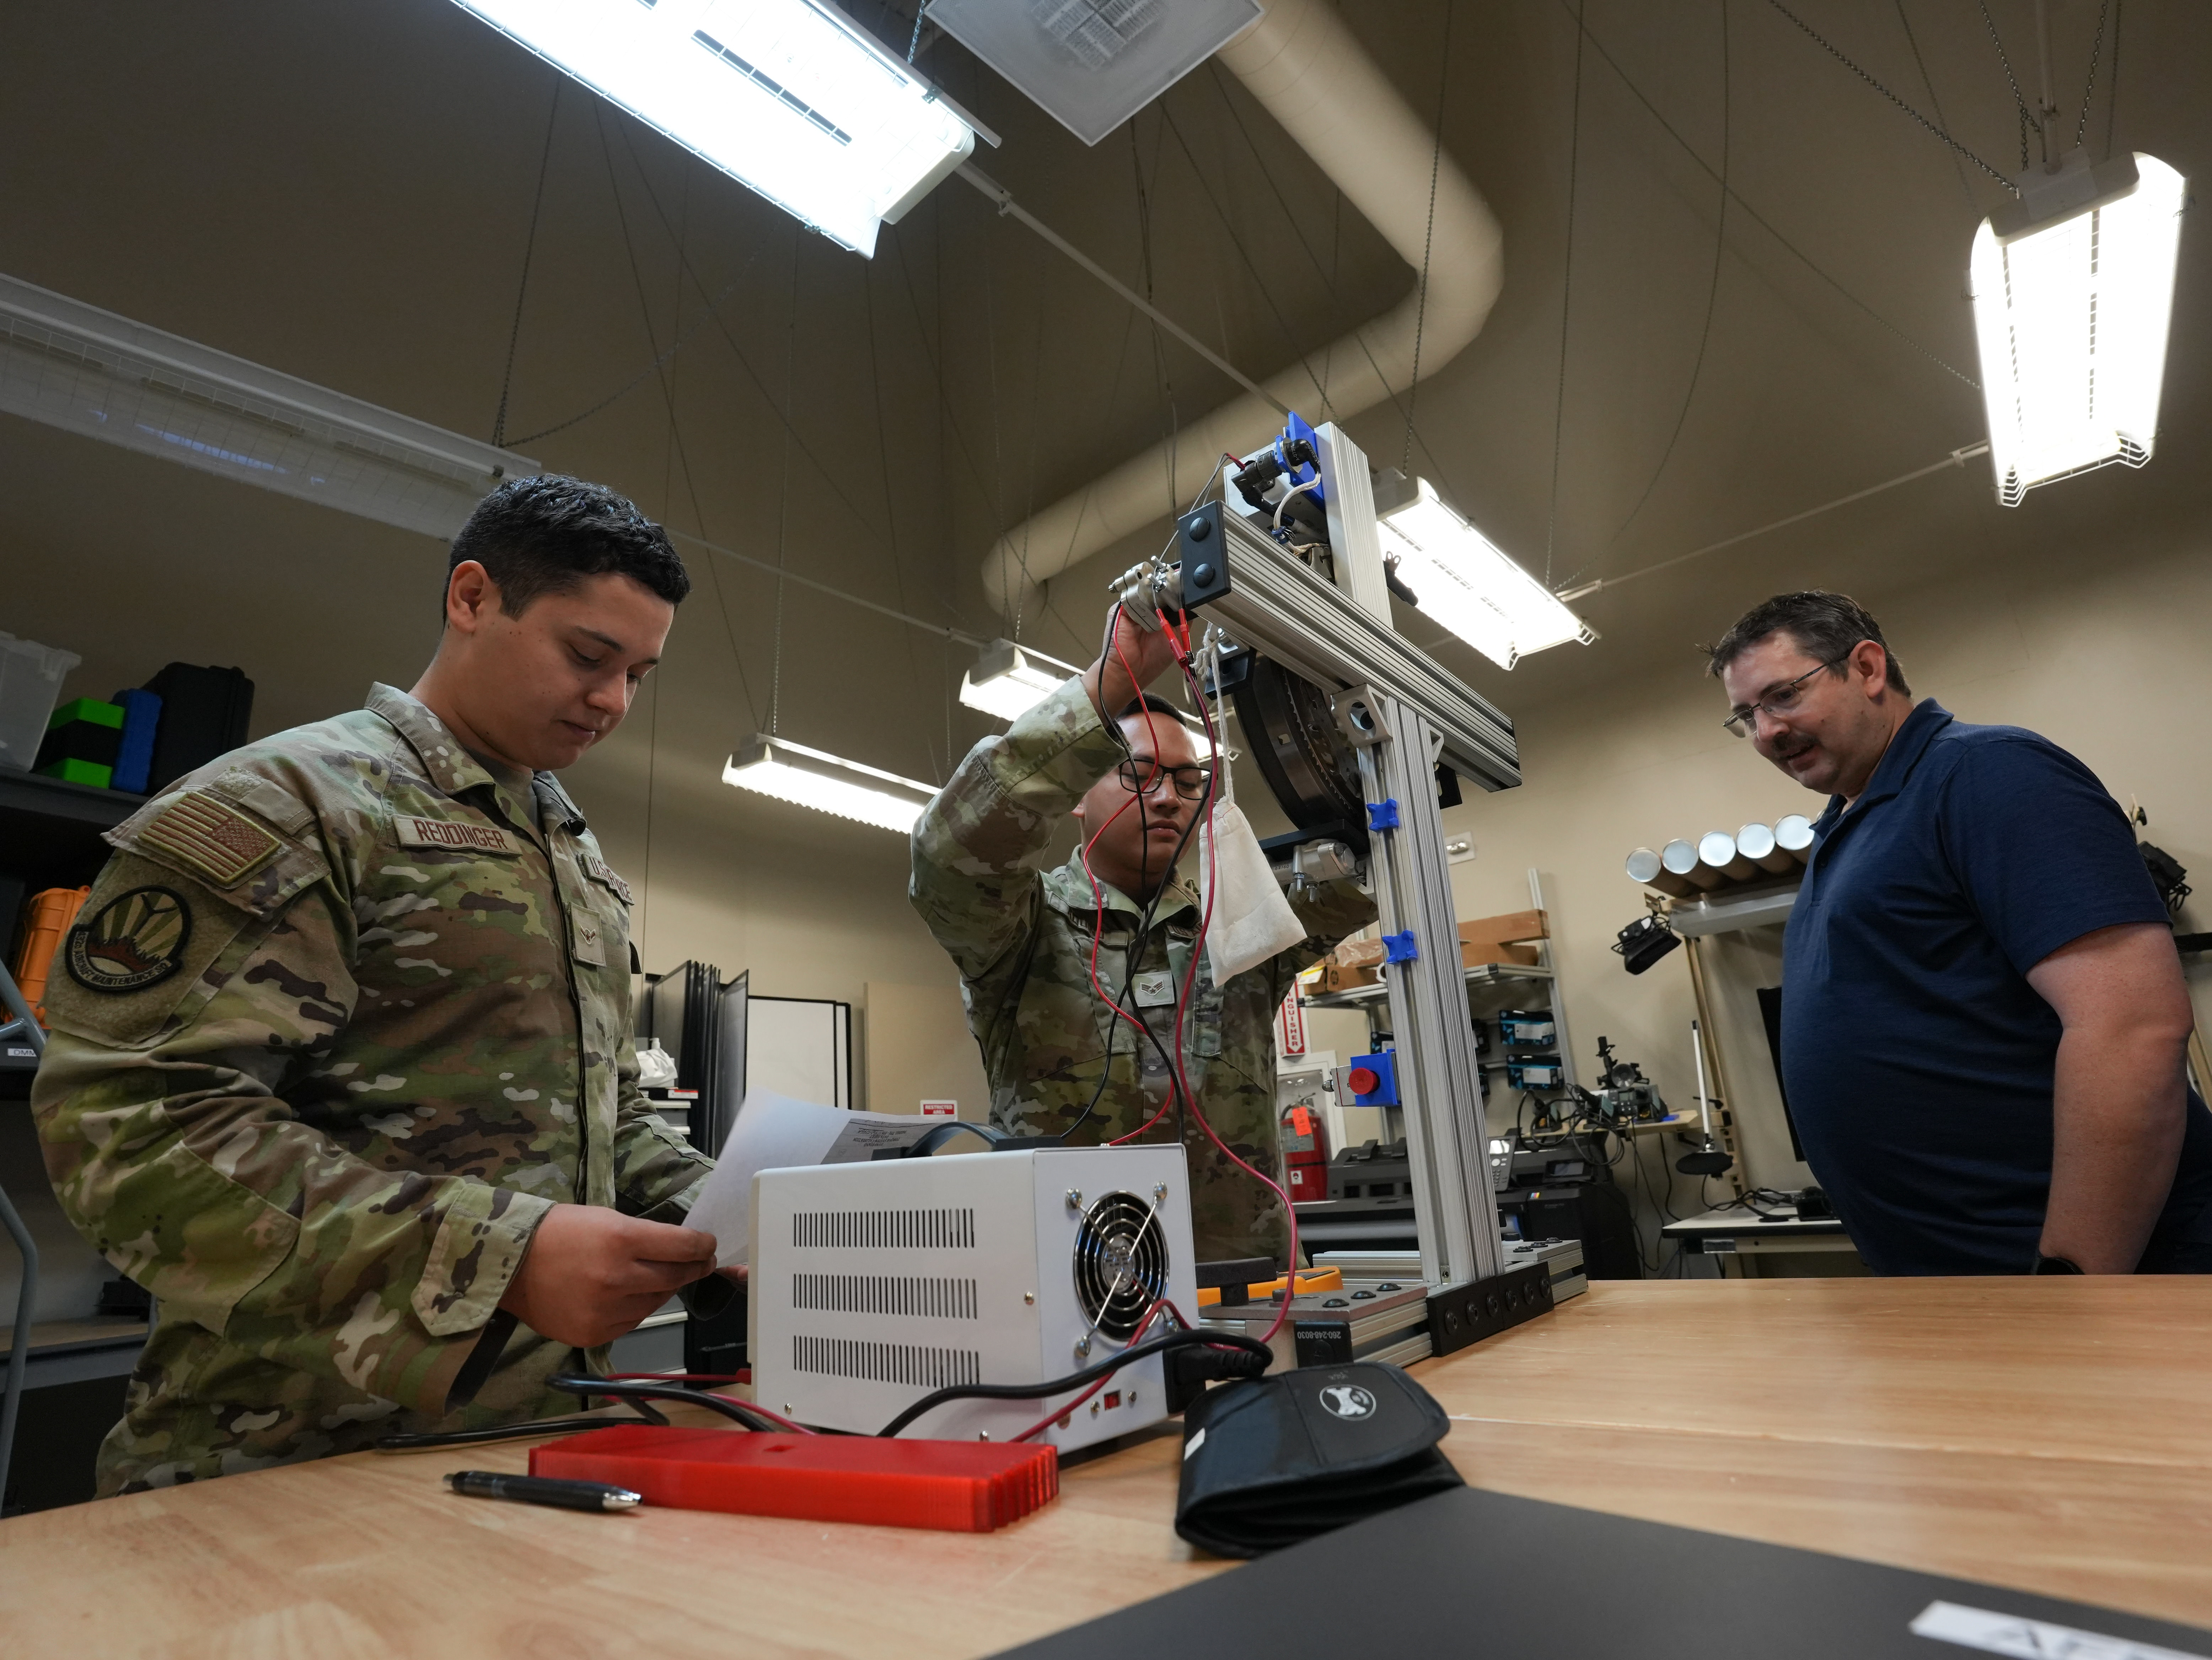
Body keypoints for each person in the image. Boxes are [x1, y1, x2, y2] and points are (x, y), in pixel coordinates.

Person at [32, 475, 732, 1494]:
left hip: (527, 1446)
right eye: (588, 657)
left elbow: (601, 1111)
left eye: (639, 675)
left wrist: (722, 1211)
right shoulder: (288, 803)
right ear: (472, 598)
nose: (613, 702)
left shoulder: (568, 853)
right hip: (281, 1460)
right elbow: (128, 1127)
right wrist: (500, 1259)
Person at [1707, 590, 2212, 1274]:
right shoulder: (1847, 826)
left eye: (1784, 696)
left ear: (1868, 668)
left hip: (2098, 1278)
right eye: (1747, 717)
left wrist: (2074, 1284)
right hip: (1970, 1285)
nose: (1766, 732)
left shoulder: (1985, 771)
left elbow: (2134, 1026)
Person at [911, 604, 1376, 1267]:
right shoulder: (1020, 931)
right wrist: (1110, 681)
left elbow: (1370, 865)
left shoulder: (1238, 926)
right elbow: (946, 857)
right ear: (1076, 792)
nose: (1166, 798)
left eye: (1188, 781)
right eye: (1138, 774)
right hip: (1081, 1305)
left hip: (1251, 1298)